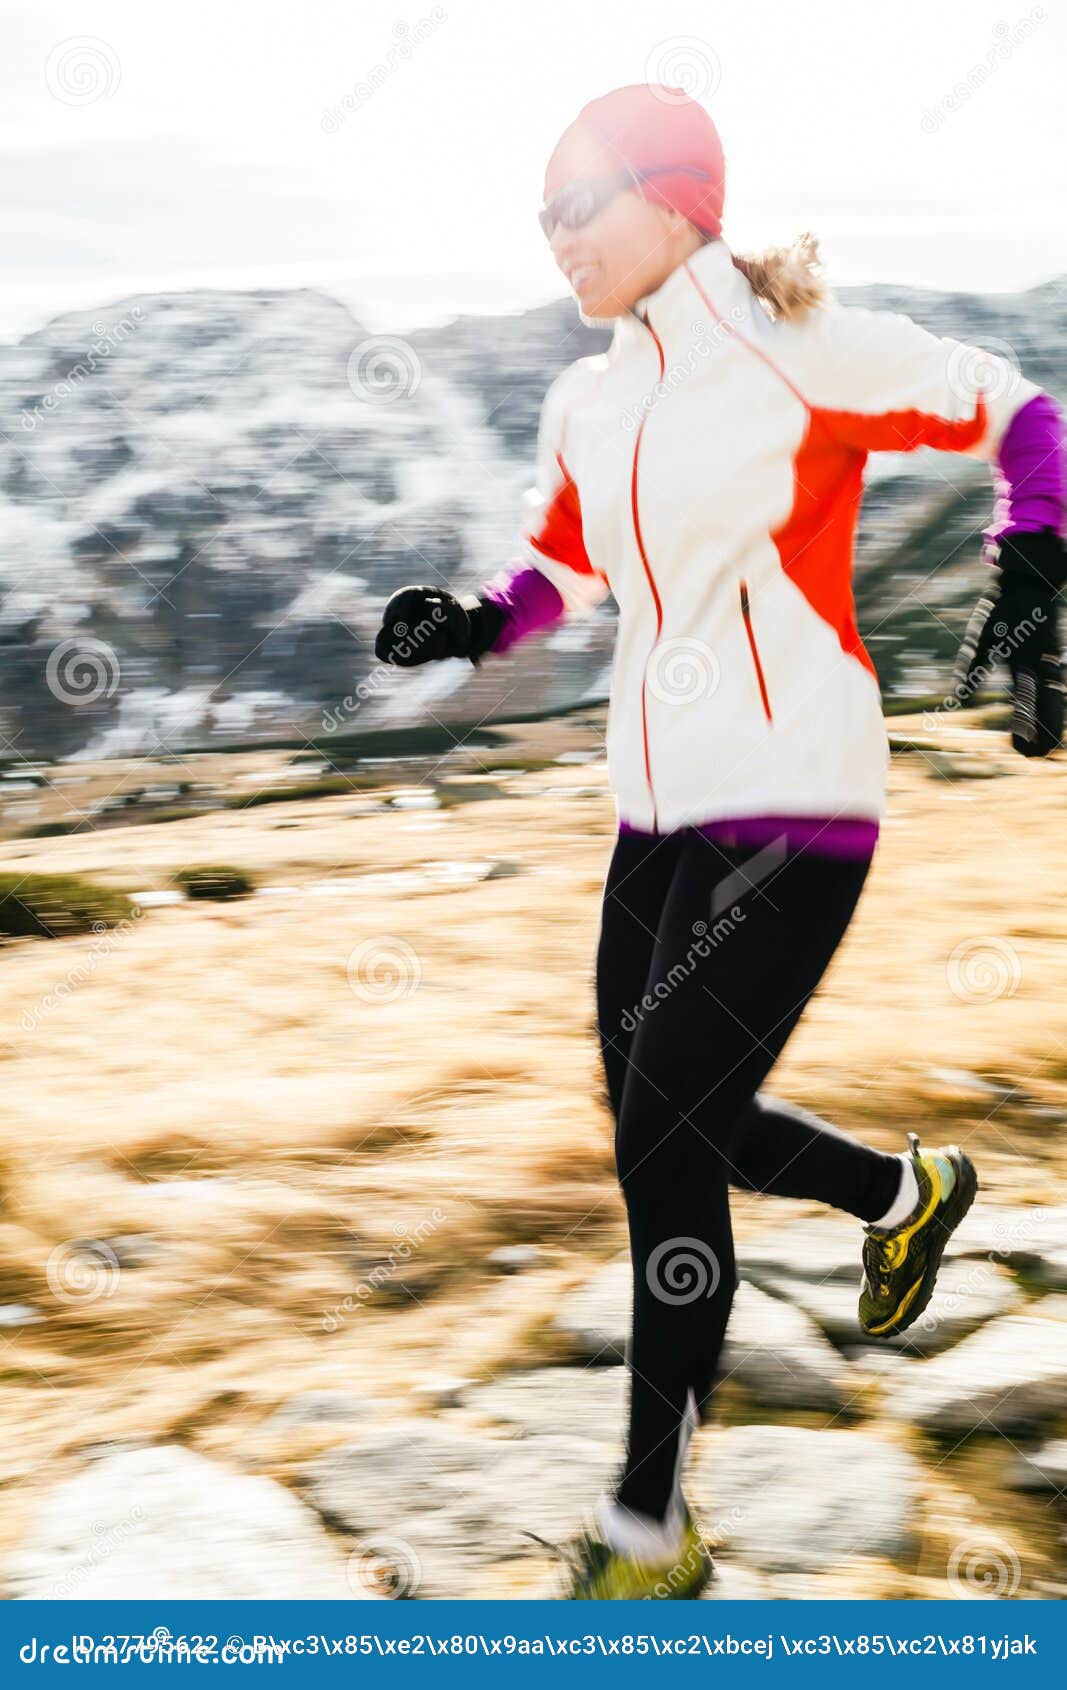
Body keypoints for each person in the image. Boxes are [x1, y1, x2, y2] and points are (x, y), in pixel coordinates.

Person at [375, 84, 1066, 1599]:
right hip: (655, 808)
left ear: (680, 197)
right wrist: (479, 621)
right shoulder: (595, 397)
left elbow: (1018, 407)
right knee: (661, 1116)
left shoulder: (796, 345)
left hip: (800, 790)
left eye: (582, 202)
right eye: (542, 211)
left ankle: (648, 1526)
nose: (557, 234)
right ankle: (908, 1196)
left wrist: (1036, 556)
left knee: (668, 1138)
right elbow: (566, 554)